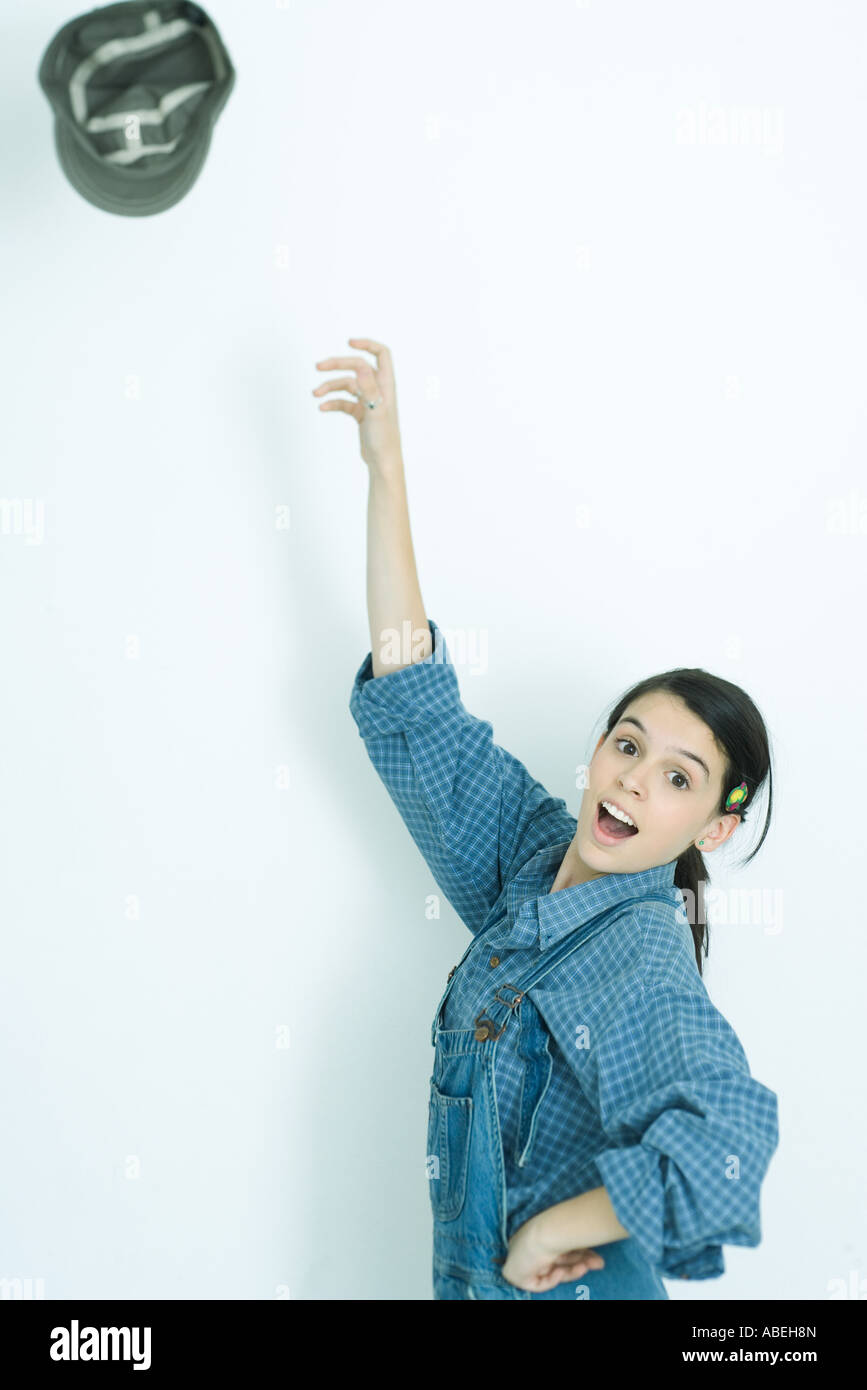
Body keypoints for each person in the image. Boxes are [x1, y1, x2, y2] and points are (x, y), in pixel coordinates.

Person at [314, 339, 780, 1301]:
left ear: (713, 828)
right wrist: (387, 466)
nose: (634, 781)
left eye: (680, 778)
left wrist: (553, 1232)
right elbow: (418, 703)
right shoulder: (526, 863)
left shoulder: (638, 956)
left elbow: (728, 1143)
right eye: (626, 745)